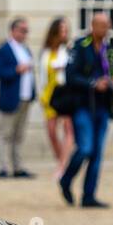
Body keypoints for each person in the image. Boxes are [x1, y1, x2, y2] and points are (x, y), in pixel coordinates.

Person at [59, 12, 113, 208]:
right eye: (101, 25)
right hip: (82, 107)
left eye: (107, 25)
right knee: (85, 148)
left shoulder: (109, 51)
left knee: (97, 153)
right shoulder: (79, 46)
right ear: (93, 26)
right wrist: (94, 83)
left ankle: (89, 196)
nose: (105, 29)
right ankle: (66, 179)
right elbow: (70, 76)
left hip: (103, 107)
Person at [0, 17, 36, 180]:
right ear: (13, 31)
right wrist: (16, 70)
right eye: (22, 30)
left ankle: (18, 167)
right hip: (10, 99)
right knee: (5, 134)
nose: (25, 34)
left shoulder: (26, 49)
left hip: (25, 98)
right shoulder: (4, 50)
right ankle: (3, 167)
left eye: (26, 31)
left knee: (19, 134)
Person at [39, 16, 73, 179]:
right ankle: (62, 161)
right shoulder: (46, 52)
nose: (64, 33)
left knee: (67, 129)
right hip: (50, 94)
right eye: (62, 30)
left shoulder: (68, 50)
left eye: (66, 30)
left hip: (64, 93)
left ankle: (62, 165)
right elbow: (42, 75)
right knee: (52, 132)